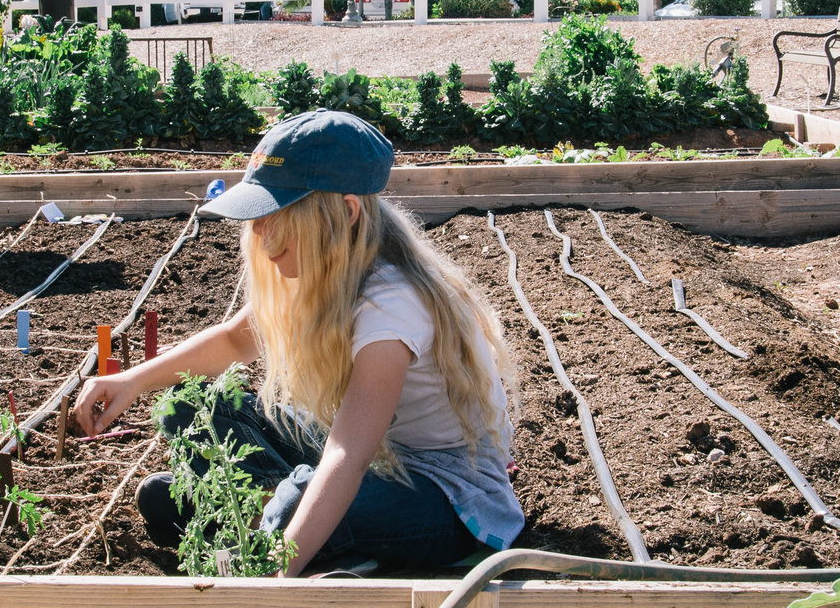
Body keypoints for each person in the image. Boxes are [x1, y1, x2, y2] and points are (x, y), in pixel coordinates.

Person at [71, 110, 523, 576]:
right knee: (187, 405)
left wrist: (273, 576)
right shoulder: (322, 271)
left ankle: (279, 524)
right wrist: (128, 380)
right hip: (377, 459)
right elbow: (232, 340)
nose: (261, 231)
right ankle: (284, 519)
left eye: (276, 213)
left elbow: (349, 454)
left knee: (295, 505)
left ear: (346, 212)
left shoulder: (391, 306)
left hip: (445, 497)